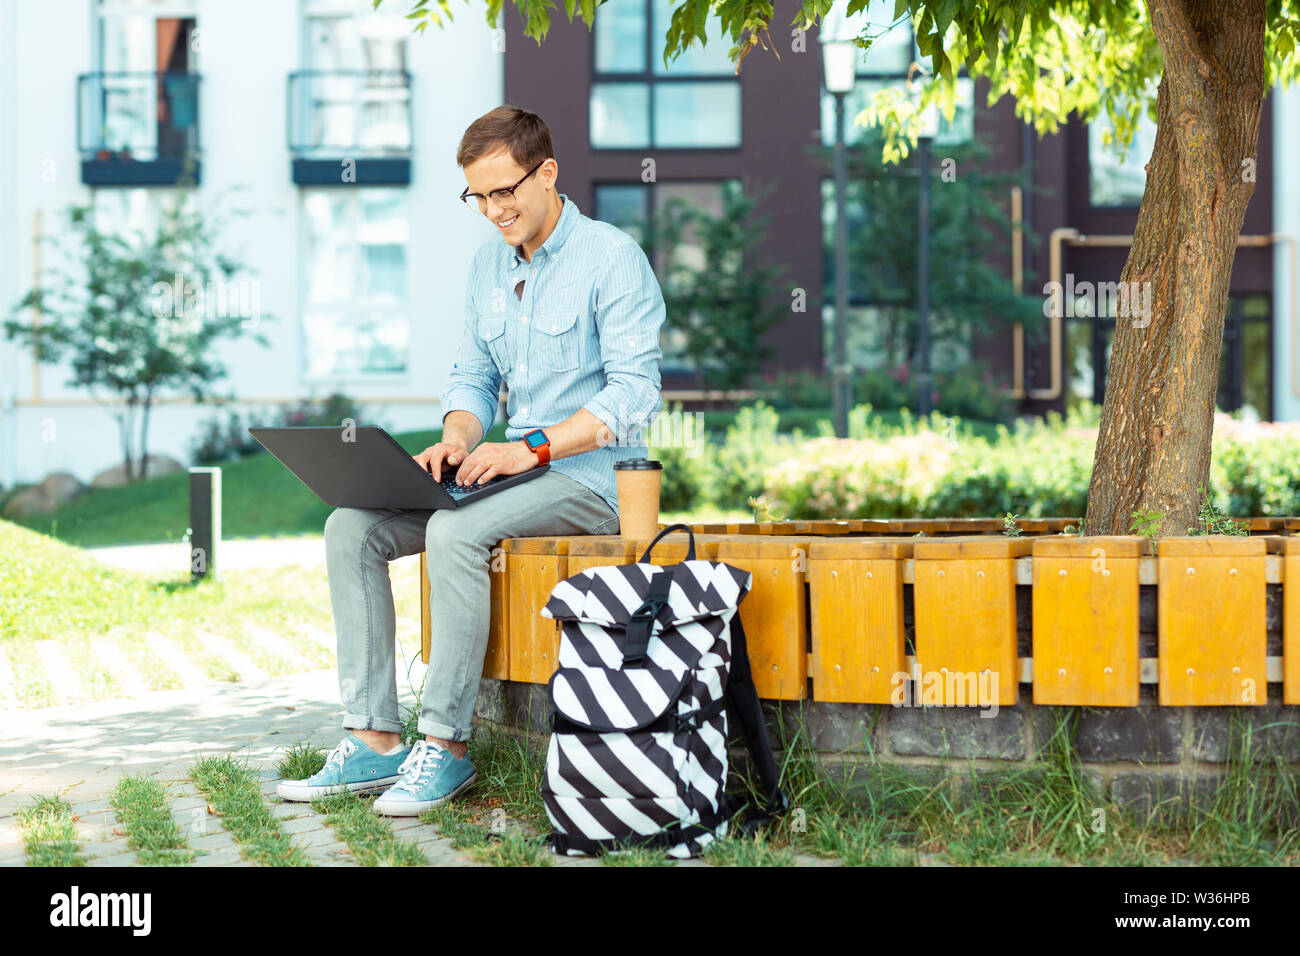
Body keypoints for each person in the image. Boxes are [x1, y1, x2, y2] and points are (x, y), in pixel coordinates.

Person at [277, 104, 666, 815]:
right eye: (478, 196)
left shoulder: (612, 258)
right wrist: (458, 438)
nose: (492, 211)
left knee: (452, 532)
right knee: (349, 528)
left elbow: (636, 396)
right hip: (511, 469)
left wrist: (533, 447)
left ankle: (447, 748)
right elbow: (472, 379)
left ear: (546, 173)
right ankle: (373, 740)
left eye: (504, 191)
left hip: (590, 479)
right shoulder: (488, 264)